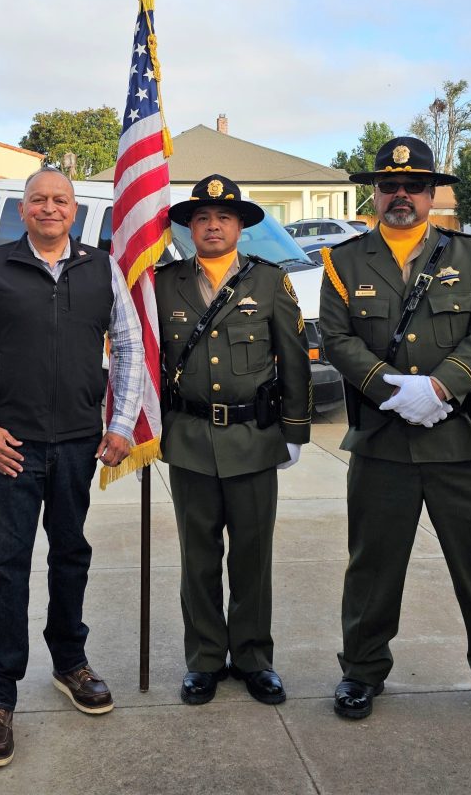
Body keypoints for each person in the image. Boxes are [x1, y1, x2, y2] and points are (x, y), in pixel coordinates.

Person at [319, 136, 471, 735]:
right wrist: (391, 388)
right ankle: (362, 671)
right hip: (382, 442)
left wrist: (441, 387)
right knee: (372, 567)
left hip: (461, 442)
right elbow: (337, 339)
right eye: (390, 185)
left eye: (414, 186)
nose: (401, 195)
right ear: (375, 192)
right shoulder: (343, 261)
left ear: (431, 194)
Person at [0, 167, 144, 767]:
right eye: (39, 200)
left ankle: (70, 662)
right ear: (24, 209)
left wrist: (121, 423)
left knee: (70, 555)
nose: (50, 208)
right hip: (12, 446)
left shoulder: (101, 268)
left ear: (75, 211)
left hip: (80, 443)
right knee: (6, 567)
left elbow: (128, 345)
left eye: (60, 200)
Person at [156, 174, 312, 707]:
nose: (213, 226)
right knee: (198, 558)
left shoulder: (268, 282)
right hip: (190, 440)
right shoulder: (164, 283)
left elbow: (294, 360)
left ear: (240, 227)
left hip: (254, 438)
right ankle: (204, 659)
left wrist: (295, 430)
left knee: (251, 556)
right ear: (189, 228)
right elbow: (147, 357)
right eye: (202, 218)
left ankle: (253, 658)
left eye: (224, 218)